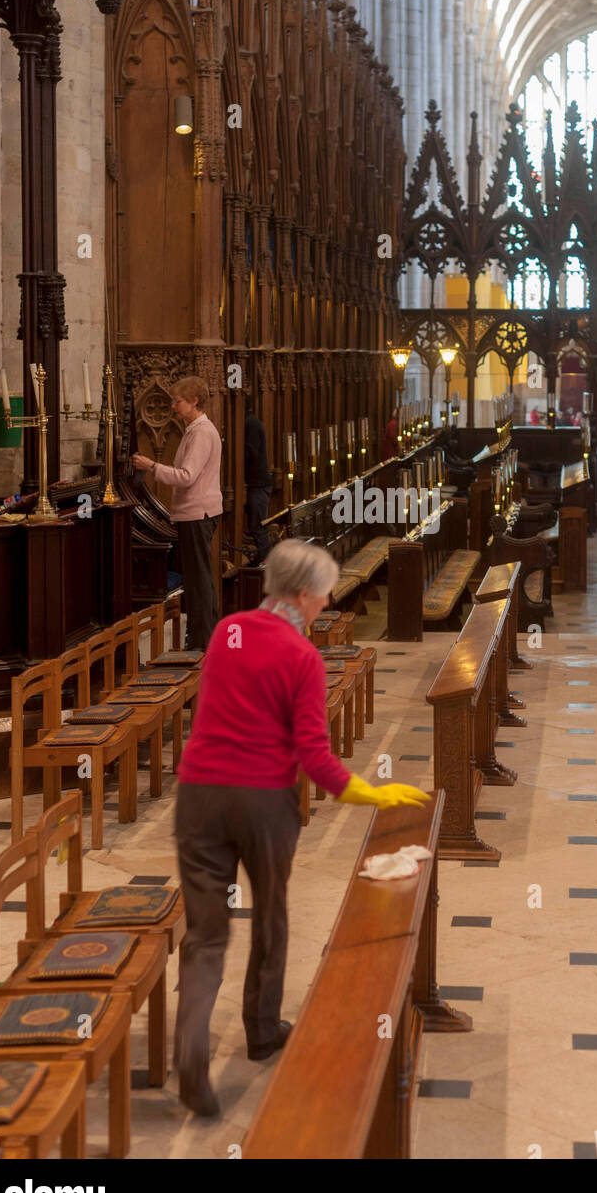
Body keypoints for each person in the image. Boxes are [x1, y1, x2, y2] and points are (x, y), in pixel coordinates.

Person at [172, 539, 428, 1116]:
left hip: (198, 795)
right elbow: (315, 757)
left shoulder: (229, 631)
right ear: (306, 595)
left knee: (206, 936)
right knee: (270, 917)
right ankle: (261, 1031)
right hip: (262, 800)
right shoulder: (302, 656)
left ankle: (190, 1057)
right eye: (325, 594)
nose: (328, 603)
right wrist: (368, 792)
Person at [133, 375, 222, 651]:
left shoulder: (202, 432)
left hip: (198, 513)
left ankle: (202, 643)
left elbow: (186, 476)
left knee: (198, 580)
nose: (173, 406)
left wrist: (151, 466)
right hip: (194, 512)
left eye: (178, 401)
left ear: (194, 401)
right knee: (199, 578)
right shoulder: (195, 430)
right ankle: (205, 638)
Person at [244, 409, 272, 562]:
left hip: (258, 484)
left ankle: (266, 569)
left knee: (258, 527)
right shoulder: (249, 422)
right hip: (254, 483)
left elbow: (251, 452)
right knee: (256, 527)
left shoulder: (251, 423)